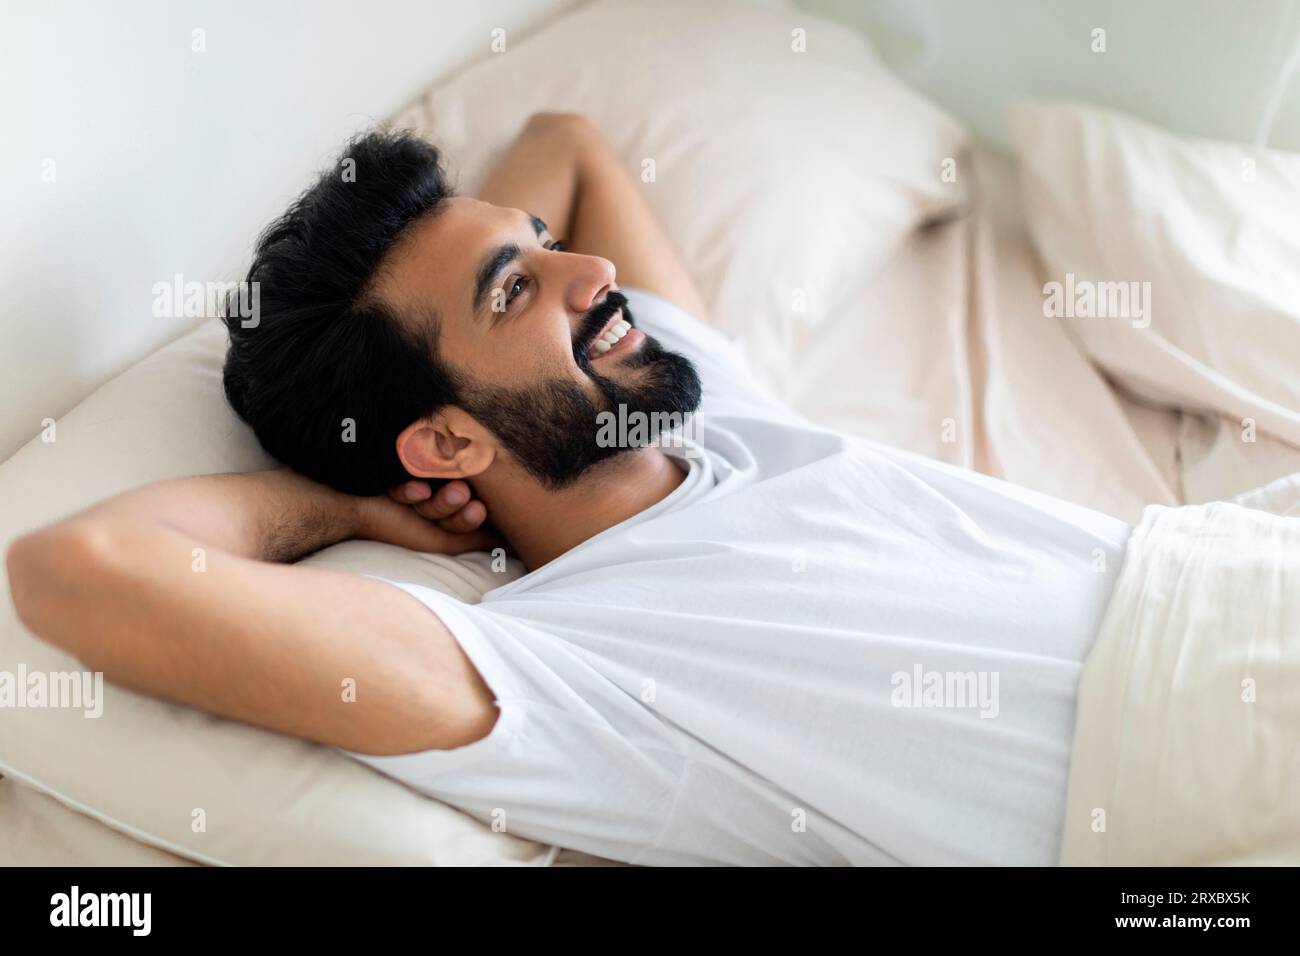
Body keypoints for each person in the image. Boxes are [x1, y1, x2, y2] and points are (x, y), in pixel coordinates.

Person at [6, 113, 1132, 865]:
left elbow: (570, 144)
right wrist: (347, 501)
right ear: (442, 444)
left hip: (1213, 568)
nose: (591, 274)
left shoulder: (705, 404)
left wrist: (479, 263)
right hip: (1176, 799)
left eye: (541, 246)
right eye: (516, 290)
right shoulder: (560, 666)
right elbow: (77, 567)